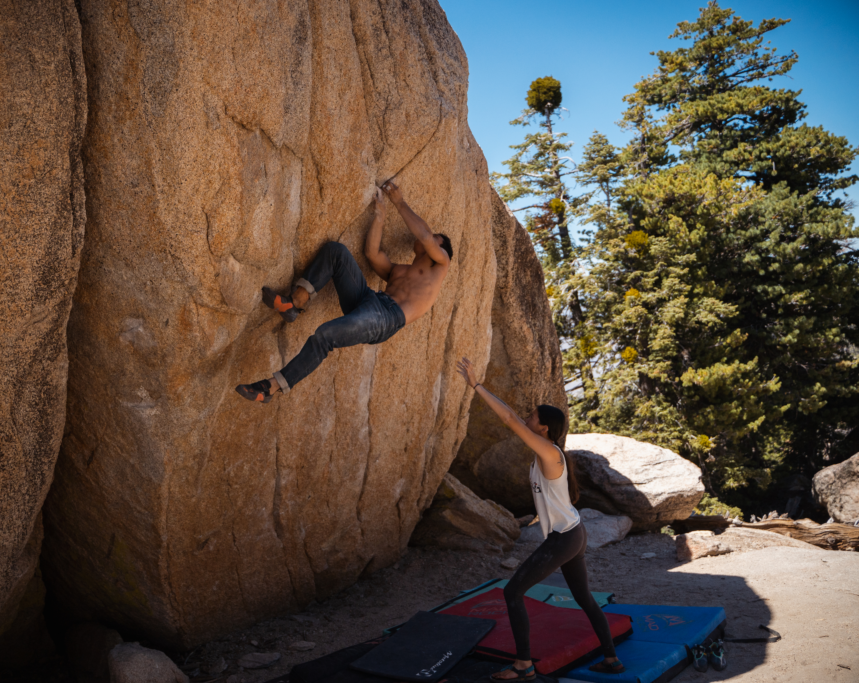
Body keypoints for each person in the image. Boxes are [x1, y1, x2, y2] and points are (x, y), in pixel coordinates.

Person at [455, 356, 626, 681]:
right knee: (583, 598)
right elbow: (513, 415)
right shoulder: (546, 448)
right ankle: (611, 659)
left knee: (512, 592)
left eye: (532, 416)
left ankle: (523, 666)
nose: (527, 417)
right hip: (572, 533)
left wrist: (476, 384)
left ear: (544, 428)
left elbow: (508, 419)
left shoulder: (549, 453)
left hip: (565, 538)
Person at [235, 180, 453, 402]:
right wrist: (380, 216)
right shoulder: (401, 271)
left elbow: (426, 236)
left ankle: (272, 387)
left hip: (384, 318)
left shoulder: (441, 265)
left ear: (440, 248)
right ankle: (294, 304)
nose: (427, 234)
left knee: (325, 335)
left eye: (435, 237)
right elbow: (372, 254)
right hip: (369, 300)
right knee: (335, 252)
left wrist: (399, 201)